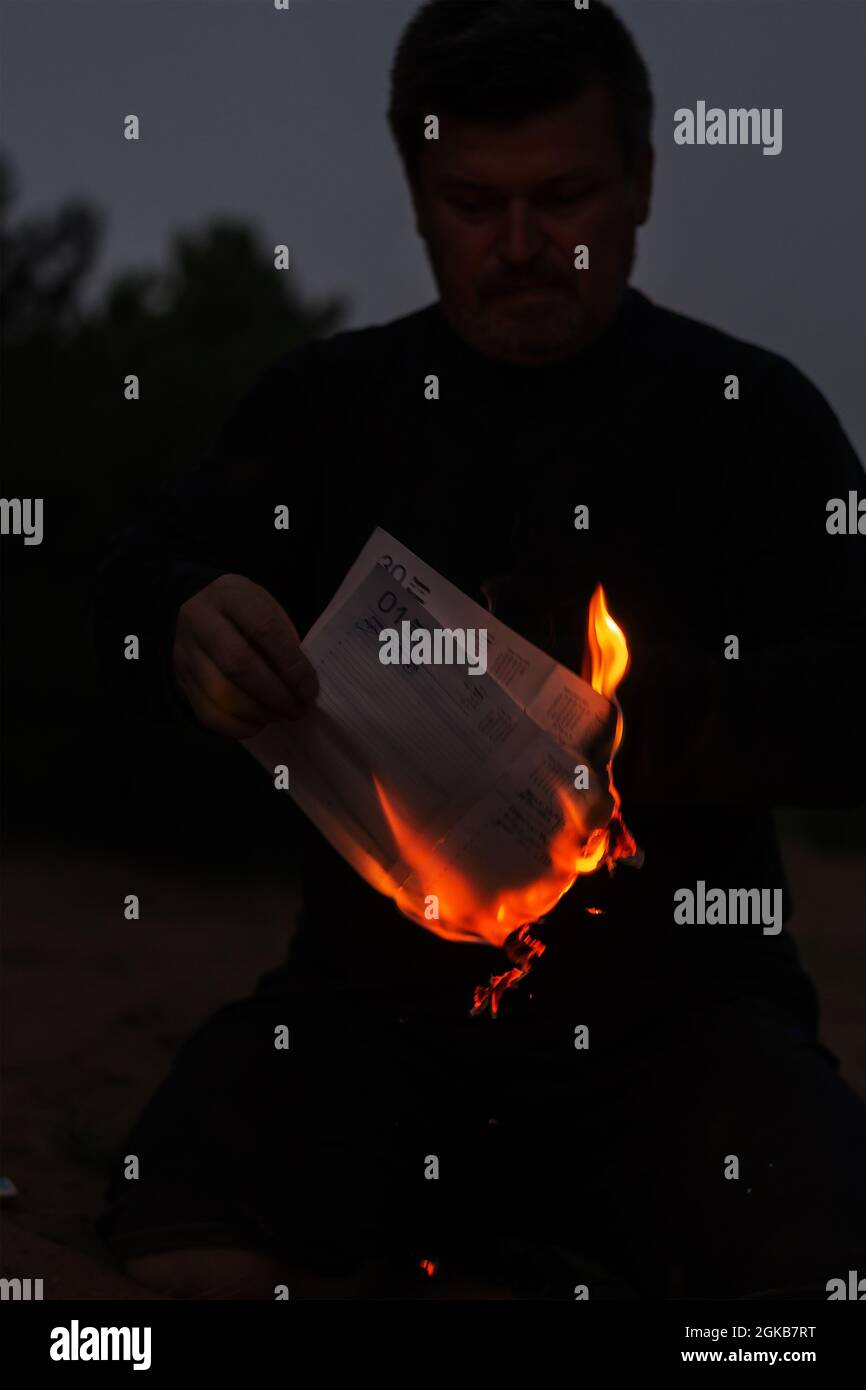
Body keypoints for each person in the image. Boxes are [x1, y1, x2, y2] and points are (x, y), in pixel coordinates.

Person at [93, 0, 866, 1300]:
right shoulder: (325, 407)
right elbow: (137, 591)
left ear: (641, 183)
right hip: (367, 1017)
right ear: (413, 195)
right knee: (188, 1244)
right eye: (470, 202)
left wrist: (638, 726)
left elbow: (854, 703)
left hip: (685, 1030)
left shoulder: (747, 415)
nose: (519, 247)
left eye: (563, 195)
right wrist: (187, 626)